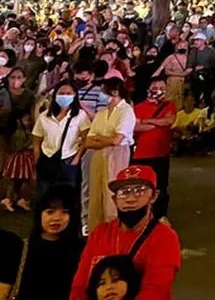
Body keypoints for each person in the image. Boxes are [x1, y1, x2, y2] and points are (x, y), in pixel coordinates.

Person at [70, 165, 182, 300]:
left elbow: (156, 290)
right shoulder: (100, 233)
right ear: (114, 199)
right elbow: (80, 285)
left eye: (139, 191)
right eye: (124, 192)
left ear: (154, 196)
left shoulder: (165, 237)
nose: (130, 199)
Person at [7, 183, 85, 300]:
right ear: (40, 214)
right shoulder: (23, 248)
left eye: (64, 212)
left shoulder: (81, 249)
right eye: (50, 211)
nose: (57, 218)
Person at [81, 78, 135, 233]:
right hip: (98, 154)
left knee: (112, 193)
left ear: (114, 92)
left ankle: (115, 232)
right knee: (96, 194)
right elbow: (89, 140)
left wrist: (100, 138)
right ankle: (97, 232)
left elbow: (117, 140)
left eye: (103, 92)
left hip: (117, 156)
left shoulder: (126, 111)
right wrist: (104, 140)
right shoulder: (101, 112)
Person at [131, 77, 176, 220]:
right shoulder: (138, 107)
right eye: (155, 87)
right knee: (140, 186)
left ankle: (160, 215)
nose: (159, 90)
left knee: (161, 186)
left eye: (162, 87)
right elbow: (134, 126)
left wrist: (146, 121)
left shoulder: (169, 106)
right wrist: (157, 123)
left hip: (161, 153)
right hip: (141, 154)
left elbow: (169, 121)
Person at [32, 80, 87, 196]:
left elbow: (85, 138)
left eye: (68, 93)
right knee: (45, 193)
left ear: (75, 95)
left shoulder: (80, 116)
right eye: (61, 93)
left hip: (68, 159)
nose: (65, 96)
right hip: (47, 158)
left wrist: (76, 159)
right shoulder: (44, 116)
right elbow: (36, 137)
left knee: (67, 194)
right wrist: (37, 158)